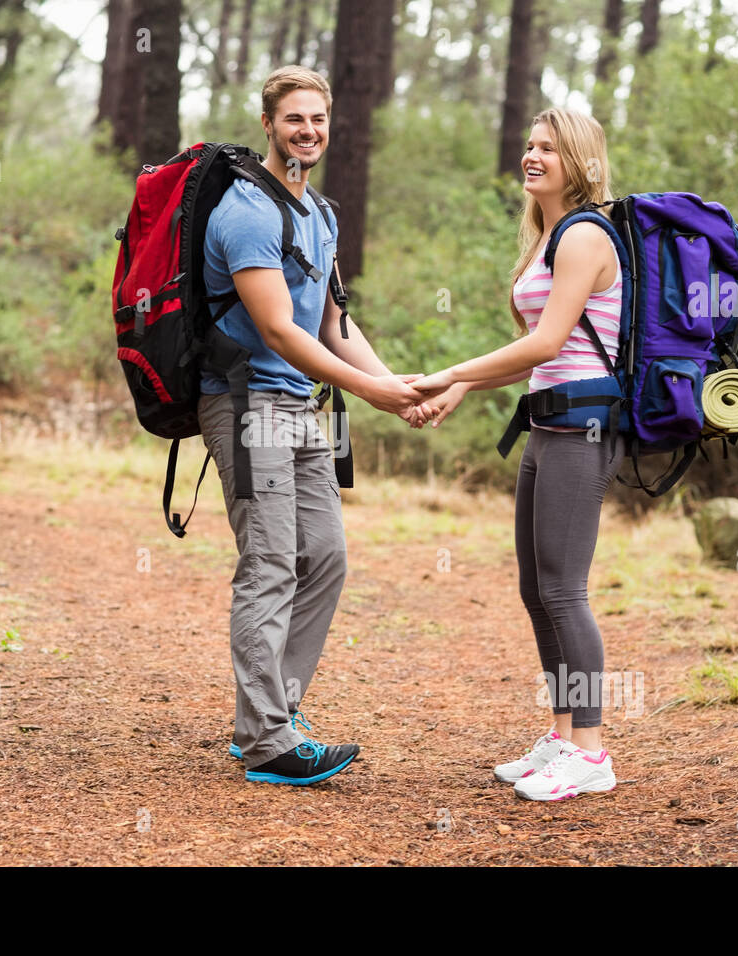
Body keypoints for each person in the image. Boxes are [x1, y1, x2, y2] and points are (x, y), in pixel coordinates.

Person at [199, 65, 433, 785]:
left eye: (319, 120)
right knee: (270, 564)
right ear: (268, 124)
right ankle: (266, 738)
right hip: (249, 408)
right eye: (294, 119)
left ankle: (274, 715)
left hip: (307, 409)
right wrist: (370, 390)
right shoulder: (245, 211)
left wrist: (396, 385)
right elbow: (276, 330)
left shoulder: (320, 215)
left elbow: (334, 324)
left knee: (324, 559)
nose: (308, 131)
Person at [414, 108, 626, 801]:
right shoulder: (548, 237)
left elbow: (546, 343)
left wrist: (450, 372)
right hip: (546, 424)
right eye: (529, 146)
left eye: (548, 149)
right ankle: (563, 737)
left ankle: (591, 753)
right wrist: (465, 389)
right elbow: (543, 352)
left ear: (580, 160)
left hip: (582, 427)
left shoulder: (587, 234)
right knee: (536, 590)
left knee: (565, 589)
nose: (532, 157)